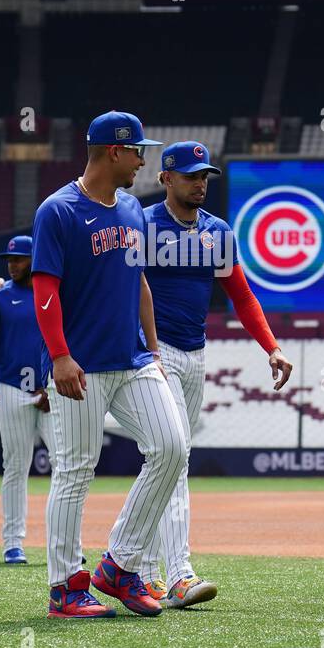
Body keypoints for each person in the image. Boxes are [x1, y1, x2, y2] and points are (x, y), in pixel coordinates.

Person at [31, 110, 188, 618]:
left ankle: (119, 565)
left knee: (171, 446)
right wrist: (59, 355)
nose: (144, 159)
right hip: (80, 365)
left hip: (134, 358)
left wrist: (156, 351)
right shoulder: (58, 210)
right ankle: (65, 586)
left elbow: (139, 282)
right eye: (137, 150)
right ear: (113, 151)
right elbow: (45, 290)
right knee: (75, 472)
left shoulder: (132, 210)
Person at [136, 140, 294, 608]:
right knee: (171, 458)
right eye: (190, 175)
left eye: (205, 175)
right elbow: (121, 291)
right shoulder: (142, 225)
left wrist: (272, 347)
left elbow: (242, 297)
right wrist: (142, 350)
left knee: (168, 460)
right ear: (165, 178)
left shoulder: (217, 232)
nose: (200, 182)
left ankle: (141, 570)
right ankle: (175, 573)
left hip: (195, 352)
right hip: (153, 353)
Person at [0, 235, 52, 565]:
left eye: (19, 259)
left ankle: (62, 543)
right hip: (11, 388)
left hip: (52, 390)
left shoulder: (55, 291)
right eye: (9, 259)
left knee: (66, 466)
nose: (12, 264)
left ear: (36, 259)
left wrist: (56, 385)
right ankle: (12, 542)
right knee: (15, 467)